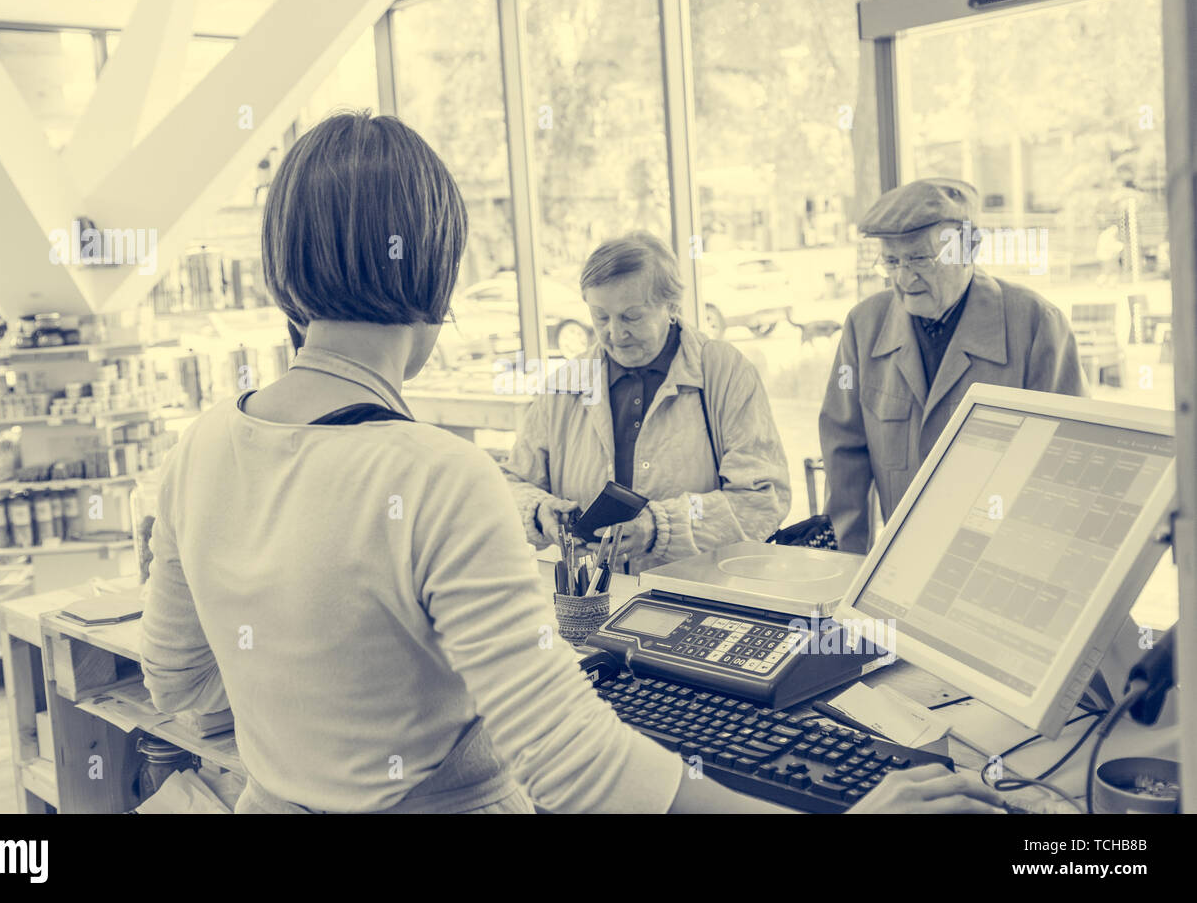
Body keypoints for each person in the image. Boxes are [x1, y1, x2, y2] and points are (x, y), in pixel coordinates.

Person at [141, 111, 1006, 814]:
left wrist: (317, 749)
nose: (614, 332)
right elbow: (575, 768)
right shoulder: (437, 476)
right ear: (438, 272)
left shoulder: (200, 448)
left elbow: (178, 683)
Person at [819, 178, 1086, 554]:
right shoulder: (864, 326)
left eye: (920, 260)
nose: (903, 278)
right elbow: (844, 457)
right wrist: (846, 573)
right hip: (904, 564)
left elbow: (1069, 465)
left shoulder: (1036, 324)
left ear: (970, 247)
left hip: (1006, 564)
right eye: (892, 262)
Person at [503, 231, 790, 573]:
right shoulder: (566, 383)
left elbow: (761, 501)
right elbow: (511, 484)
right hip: (593, 603)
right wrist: (538, 512)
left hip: (696, 598)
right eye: (600, 317)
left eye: (631, 317)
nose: (614, 332)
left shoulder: (726, 373)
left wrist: (659, 528)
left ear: (671, 306)